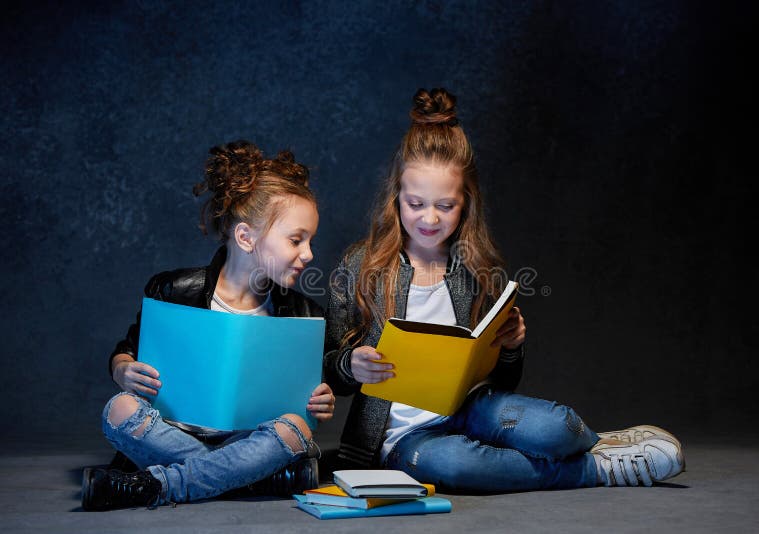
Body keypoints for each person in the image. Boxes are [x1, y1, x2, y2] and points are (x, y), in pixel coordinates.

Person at [323, 88, 684, 492]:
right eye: (415, 203)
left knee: (557, 427)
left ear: (466, 203)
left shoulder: (477, 267)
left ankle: (594, 444)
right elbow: (329, 372)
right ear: (395, 198)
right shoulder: (359, 266)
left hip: (473, 409)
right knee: (456, 466)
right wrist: (350, 365)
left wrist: (511, 345)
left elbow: (503, 379)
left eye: (445, 206)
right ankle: (596, 470)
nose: (428, 218)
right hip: (404, 439)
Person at [82, 141, 335, 511]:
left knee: (294, 426)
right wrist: (123, 369)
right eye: (296, 240)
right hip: (177, 433)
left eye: (310, 240)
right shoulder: (174, 290)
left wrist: (320, 401)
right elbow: (129, 350)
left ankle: (155, 485)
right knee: (118, 409)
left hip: (254, 440)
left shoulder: (303, 312)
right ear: (246, 237)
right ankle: (248, 480)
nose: (309, 254)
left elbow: (310, 397)